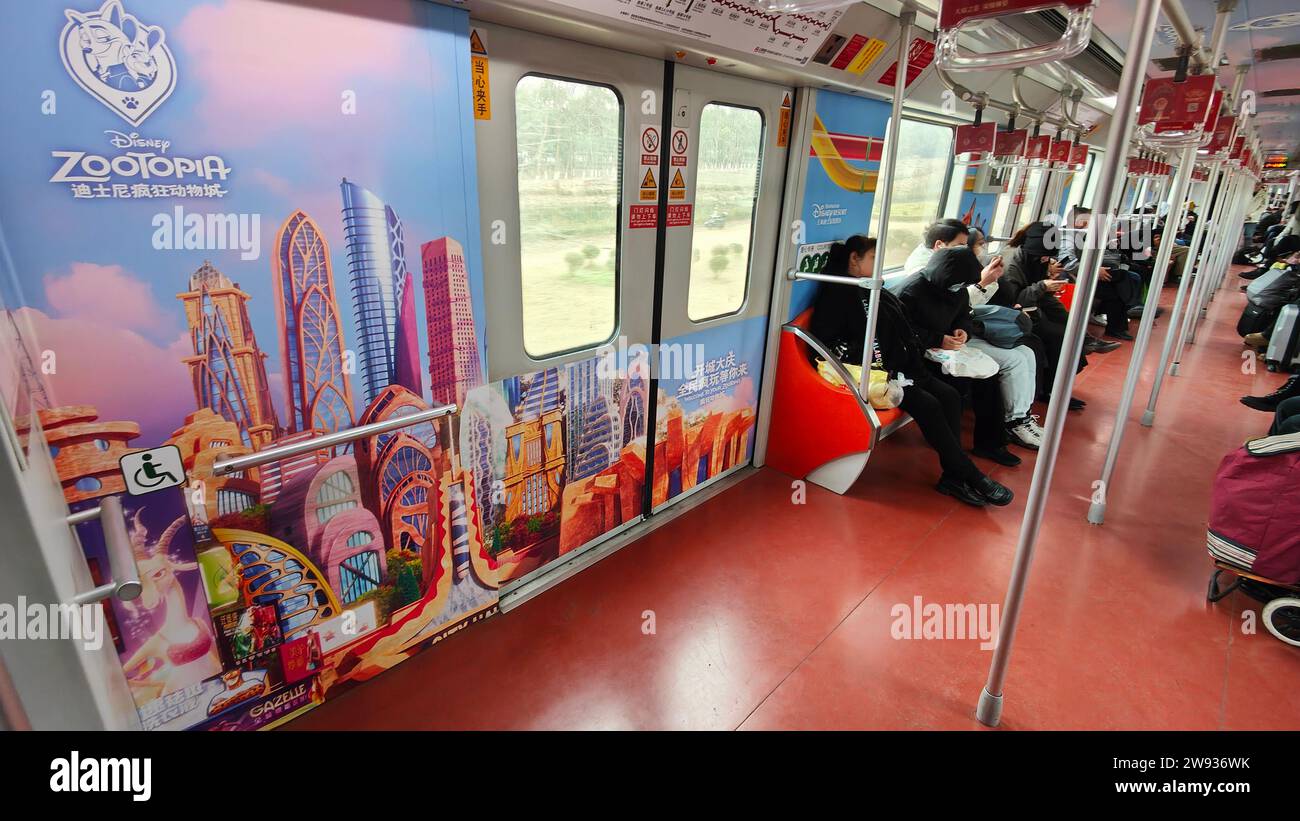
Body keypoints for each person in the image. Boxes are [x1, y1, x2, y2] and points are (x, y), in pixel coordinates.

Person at [809, 236, 1014, 507]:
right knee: (928, 404)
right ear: (854, 259)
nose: (878, 263)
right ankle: (969, 474)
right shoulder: (839, 293)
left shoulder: (871, 288)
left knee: (950, 396)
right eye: (872, 258)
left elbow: (897, 327)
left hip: (900, 367)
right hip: (870, 375)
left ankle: (953, 475)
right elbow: (828, 341)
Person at [897, 245, 1043, 458]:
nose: (958, 289)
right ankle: (954, 449)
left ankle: (991, 444)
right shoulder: (911, 291)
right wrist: (937, 339)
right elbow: (902, 329)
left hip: (950, 347)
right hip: (919, 352)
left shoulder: (956, 288)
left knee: (989, 377)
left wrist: (962, 331)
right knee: (955, 391)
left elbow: (964, 314)